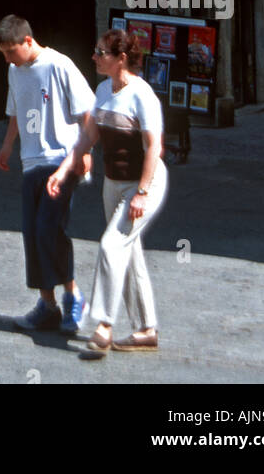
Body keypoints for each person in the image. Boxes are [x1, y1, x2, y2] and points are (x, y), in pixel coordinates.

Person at [48, 28, 167, 358]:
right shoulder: (102, 90)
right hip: (113, 183)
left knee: (111, 245)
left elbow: (154, 147)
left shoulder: (142, 95)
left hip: (144, 182)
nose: (95, 57)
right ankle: (146, 329)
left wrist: (142, 192)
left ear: (121, 58)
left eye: (101, 53)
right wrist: (62, 171)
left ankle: (103, 324)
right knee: (128, 252)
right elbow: (87, 138)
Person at [0, 15, 94, 336]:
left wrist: (86, 150)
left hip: (61, 159)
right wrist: (7, 145)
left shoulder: (59, 65)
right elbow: (16, 111)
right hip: (31, 161)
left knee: (49, 228)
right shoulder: (14, 70)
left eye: (10, 51)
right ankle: (47, 305)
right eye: (2, 53)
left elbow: (87, 110)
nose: (7, 59)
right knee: (32, 233)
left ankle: (74, 296)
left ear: (27, 41)